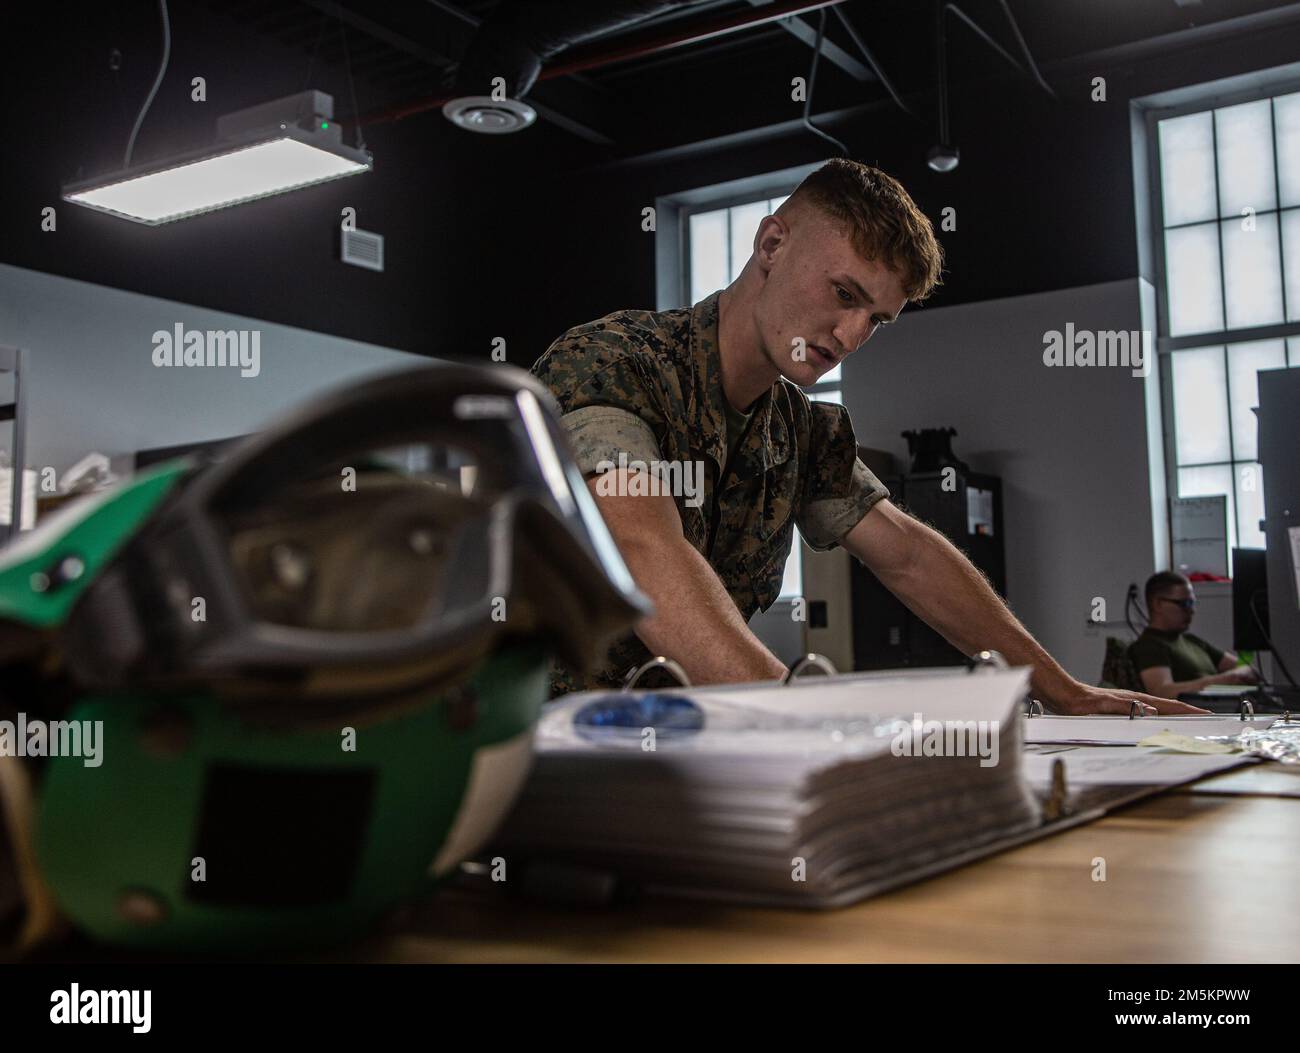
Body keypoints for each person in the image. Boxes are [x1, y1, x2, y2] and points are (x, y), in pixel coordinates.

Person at [531, 158, 1202, 715]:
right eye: (844, 294)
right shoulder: (616, 363)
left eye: (877, 319)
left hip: (666, 751)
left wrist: (1066, 693)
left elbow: (908, 554)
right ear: (771, 245)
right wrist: (795, 720)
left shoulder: (797, 428)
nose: (851, 337)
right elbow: (641, 545)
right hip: (530, 751)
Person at [1131, 570, 1259, 699]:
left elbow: (1247, 667)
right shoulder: (1149, 645)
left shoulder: (1192, 641)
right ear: (1157, 604)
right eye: (1184, 604)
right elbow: (1161, 692)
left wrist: (1233, 677)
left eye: (1192, 603)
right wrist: (1223, 680)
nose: (1192, 610)